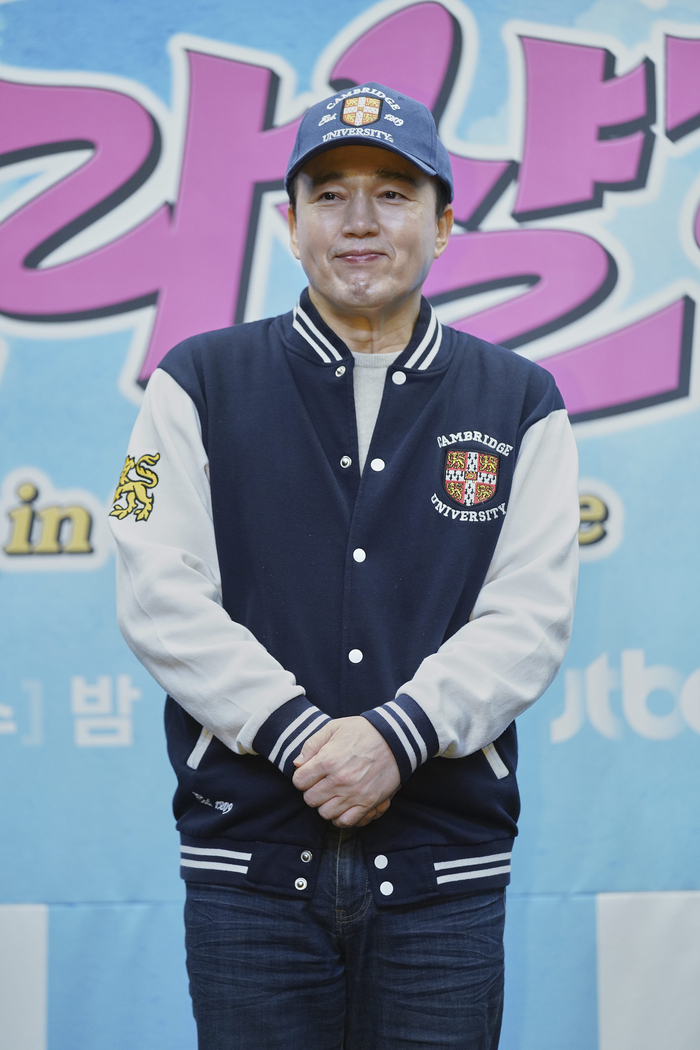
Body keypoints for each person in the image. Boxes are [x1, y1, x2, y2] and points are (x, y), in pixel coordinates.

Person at [109, 82, 579, 1050]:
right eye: (329, 194)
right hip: (249, 870)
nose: (360, 221)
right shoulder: (192, 382)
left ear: (442, 225)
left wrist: (397, 738)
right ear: (290, 226)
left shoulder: (522, 400)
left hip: (442, 874)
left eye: (393, 193)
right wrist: (298, 736)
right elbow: (153, 582)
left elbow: (530, 616)